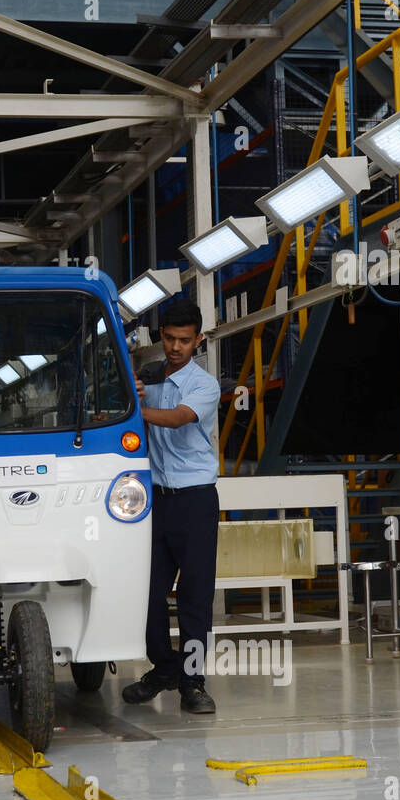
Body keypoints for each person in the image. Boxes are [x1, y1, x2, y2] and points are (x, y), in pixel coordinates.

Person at [122, 299, 220, 714]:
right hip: (155, 503)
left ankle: (193, 684)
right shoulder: (148, 378)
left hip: (196, 501)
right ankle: (164, 669)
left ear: (198, 340)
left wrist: (132, 409)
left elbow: (179, 418)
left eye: (184, 340)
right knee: (146, 594)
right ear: (159, 337)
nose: (176, 347)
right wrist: (130, 387)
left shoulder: (205, 385)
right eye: (169, 339)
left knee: (195, 598)